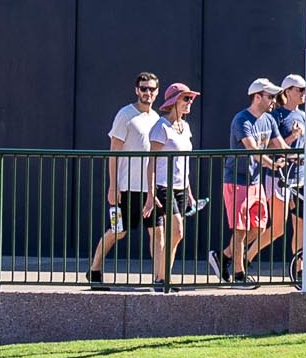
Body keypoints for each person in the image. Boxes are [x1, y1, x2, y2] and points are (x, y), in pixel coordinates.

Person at [89, 72, 160, 287]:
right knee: (118, 231)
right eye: (143, 88)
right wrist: (113, 185)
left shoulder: (156, 118)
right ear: (136, 90)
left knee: (158, 233)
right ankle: (94, 270)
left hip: (150, 189)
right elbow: (114, 152)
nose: (147, 93)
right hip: (127, 187)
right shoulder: (125, 115)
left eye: (151, 89)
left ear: (157, 92)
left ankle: (160, 279)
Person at [210, 78, 277, 287]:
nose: (274, 100)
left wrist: (296, 156)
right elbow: (253, 150)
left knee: (259, 226)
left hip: (256, 182)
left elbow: (280, 145)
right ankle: (239, 275)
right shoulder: (242, 120)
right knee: (240, 230)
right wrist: (272, 164)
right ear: (258, 97)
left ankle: (224, 256)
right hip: (237, 180)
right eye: (270, 96)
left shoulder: (269, 120)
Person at [145, 82, 202, 291]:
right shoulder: (161, 126)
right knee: (176, 231)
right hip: (163, 185)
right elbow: (151, 161)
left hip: (179, 186)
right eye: (185, 98)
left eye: (191, 99)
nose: (190, 102)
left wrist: (189, 193)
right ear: (173, 101)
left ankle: (162, 278)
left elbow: (183, 162)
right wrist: (151, 193)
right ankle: (161, 278)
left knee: (174, 235)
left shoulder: (184, 127)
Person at [265, 73, 306, 279]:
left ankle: (298, 269)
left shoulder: (304, 116)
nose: (304, 94)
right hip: (280, 177)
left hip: (299, 178)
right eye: (300, 89)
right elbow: (273, 146)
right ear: (288, 91)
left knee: (300, 225)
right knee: (277, 228)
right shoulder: (277, 116)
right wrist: (293, 136)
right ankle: (244, 258)